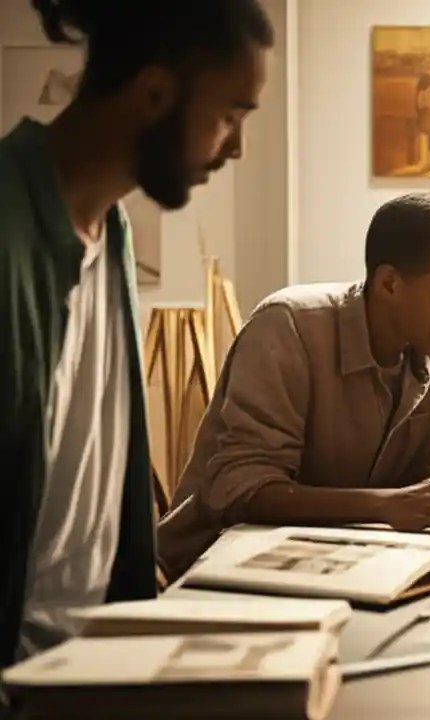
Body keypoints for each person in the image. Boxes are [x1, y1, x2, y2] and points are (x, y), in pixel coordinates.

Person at [0, 0, 272, 671]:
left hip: (89, 664)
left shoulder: (113, 231)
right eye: (231, 115)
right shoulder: (8, 226)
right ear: (154, 93)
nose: (236, 146)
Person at [158, 193, 430, 578]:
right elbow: (238, 488)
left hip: (353, 562)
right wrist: (382, 505)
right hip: (215, 567)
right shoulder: (288, 326)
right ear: (389, 283)